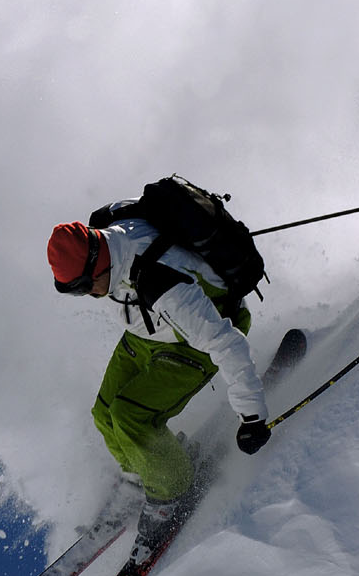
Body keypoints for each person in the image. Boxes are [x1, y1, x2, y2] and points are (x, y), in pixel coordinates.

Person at [48, 214, 272, 544]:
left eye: (82, 287)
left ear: (97, 264)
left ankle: (171, 490)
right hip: (147, 332)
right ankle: (151, 467)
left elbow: (227, 342)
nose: (86, 295)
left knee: (129, 417)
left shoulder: (163, 284)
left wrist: (252, 418)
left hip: (191, 344)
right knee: (104, 414)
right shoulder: (110, 228)